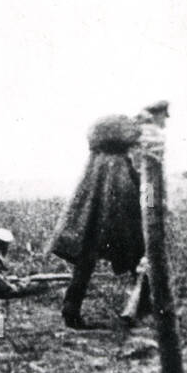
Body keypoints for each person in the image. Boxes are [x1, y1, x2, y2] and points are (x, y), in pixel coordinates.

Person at [48, 114, 146, 329]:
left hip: (96, 220)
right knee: (139, 254)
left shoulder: (95, 164)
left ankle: (71, 308)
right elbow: (143, 186)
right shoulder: (123, 162)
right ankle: (142, 308)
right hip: (119, 218)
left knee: (86, 260)